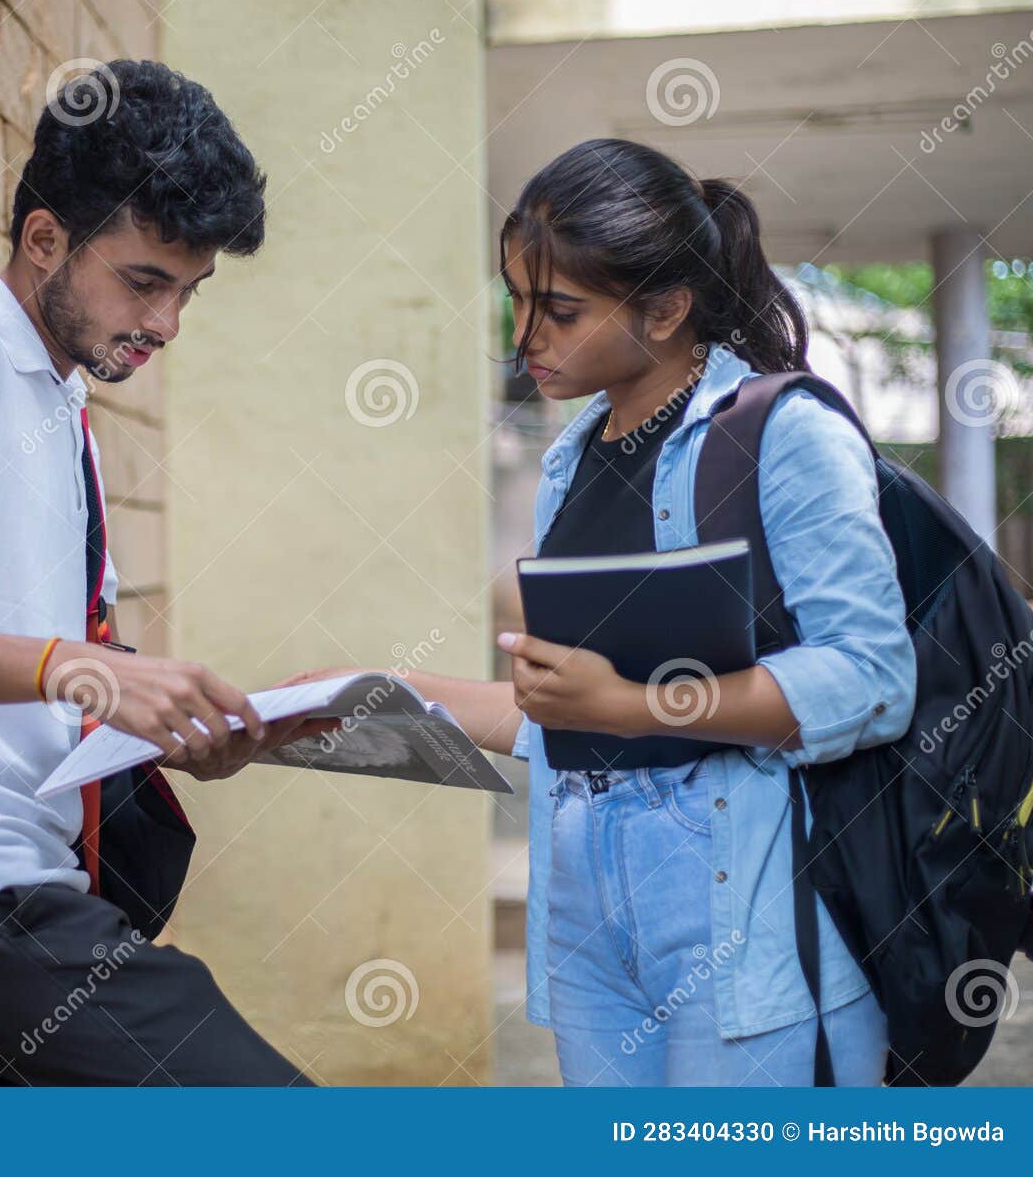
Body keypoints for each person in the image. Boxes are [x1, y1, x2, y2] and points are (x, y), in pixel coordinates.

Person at [288, 138, 918, 1086]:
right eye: (515, 296)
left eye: (560, 309)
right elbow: (558, 715)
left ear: (667, 308)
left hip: (747, 934)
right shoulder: (568, 462)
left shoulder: (783, 434)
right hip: (591, 938)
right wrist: (370, 696)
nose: (522, 334)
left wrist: (636, 705)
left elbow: (873, 677)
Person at [0, 60, 323, 1086]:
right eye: (144, 281)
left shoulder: (58, 396)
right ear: (44, 241)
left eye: (187, 291)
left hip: (22, 874)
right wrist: (85, 672)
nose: (167, 324)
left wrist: (173, 723)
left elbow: (30, 660)